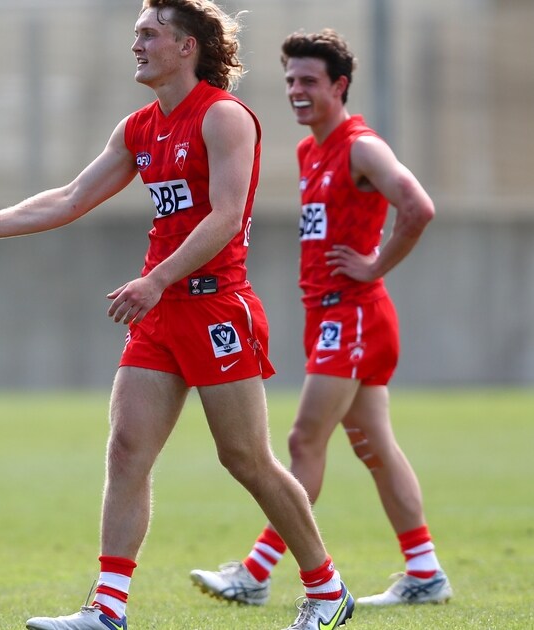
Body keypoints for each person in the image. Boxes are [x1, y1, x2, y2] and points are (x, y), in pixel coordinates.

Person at [0, 2, 353, 629]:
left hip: (214, 304)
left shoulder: (223, 116)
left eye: (149, 34)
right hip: (159, 309)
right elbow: (72, 197)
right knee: (127, 449)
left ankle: (326, 589)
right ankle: (107, 609)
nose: (137, 44)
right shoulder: (139, 128)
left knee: (246, 459)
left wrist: (156, 278)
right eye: (137, 33)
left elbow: (227, 216)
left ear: (187, 47)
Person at [190, 28, 448, 608]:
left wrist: (376, 263)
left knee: (304, 440)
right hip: (334, 316)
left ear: (340, 85)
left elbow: (418, 205)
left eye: (309, 81)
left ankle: (256, 573)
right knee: (374, 445)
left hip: (352, 315)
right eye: (289, 81)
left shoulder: (361, 146)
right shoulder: (312, 150)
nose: (296, 91)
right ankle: (425, 570)